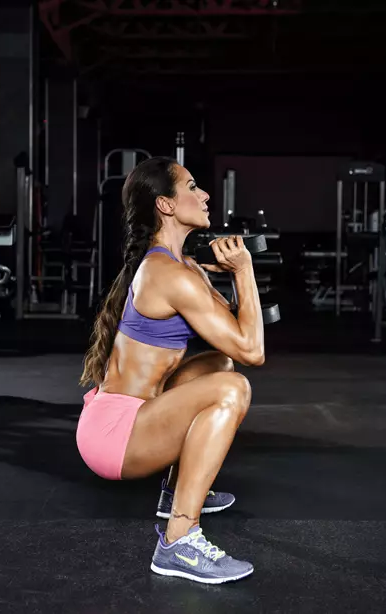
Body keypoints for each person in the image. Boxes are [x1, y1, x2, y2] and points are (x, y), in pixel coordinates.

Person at [77, 156, 265, 585]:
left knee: (218, 364)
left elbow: (233, 336)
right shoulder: (168, 273)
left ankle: (177, 489)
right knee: (232, 387)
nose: (205, 195)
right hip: (114, 436)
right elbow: (254, 349)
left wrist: (224, 277)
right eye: (193, 187)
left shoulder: (179, 266)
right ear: (165, 205)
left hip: (127, 416)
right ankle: (179, 538)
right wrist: (244, 271)